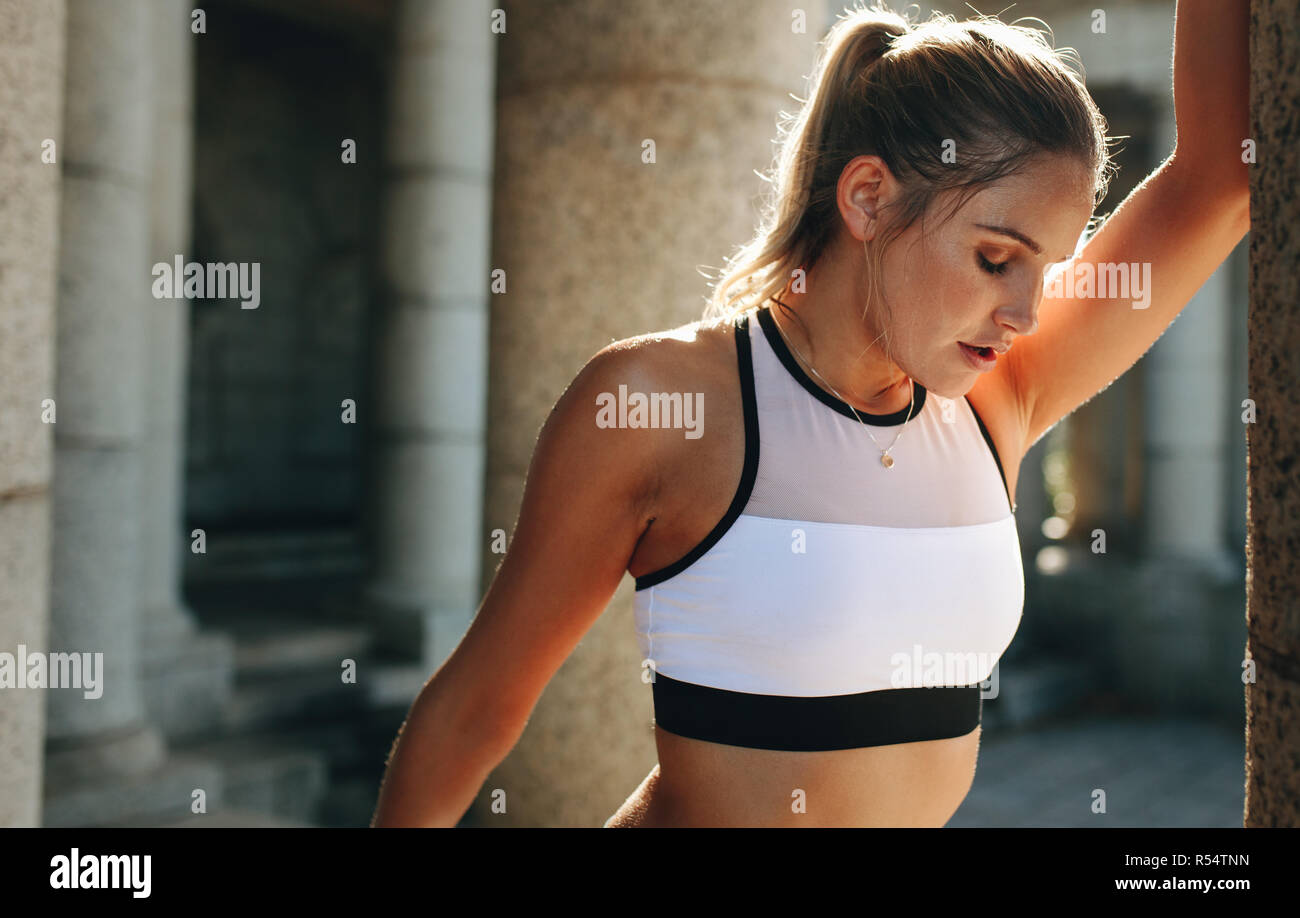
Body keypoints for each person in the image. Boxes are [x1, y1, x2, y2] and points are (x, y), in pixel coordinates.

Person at [371, 0, 1249, 828]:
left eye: (1047, 272)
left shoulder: (997, 397)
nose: (1025, 314)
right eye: (994, 259)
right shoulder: (657, 406)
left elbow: (1221, 175)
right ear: (867, 196)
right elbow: (474, 709)